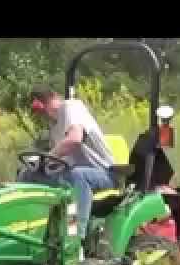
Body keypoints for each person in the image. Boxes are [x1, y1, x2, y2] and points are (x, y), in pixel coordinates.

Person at [21, 85, 116, 239]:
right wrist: (40, 165)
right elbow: (63, 158)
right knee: (27, 175)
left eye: (39, 110)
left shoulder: (71, 107)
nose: (40, 115)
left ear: (43, 103)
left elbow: (74, 139)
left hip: (105, 173)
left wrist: (45, 158)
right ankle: (29, 231)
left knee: (75, 175)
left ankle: (75, 239)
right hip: (74, 171)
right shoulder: (54, 126)